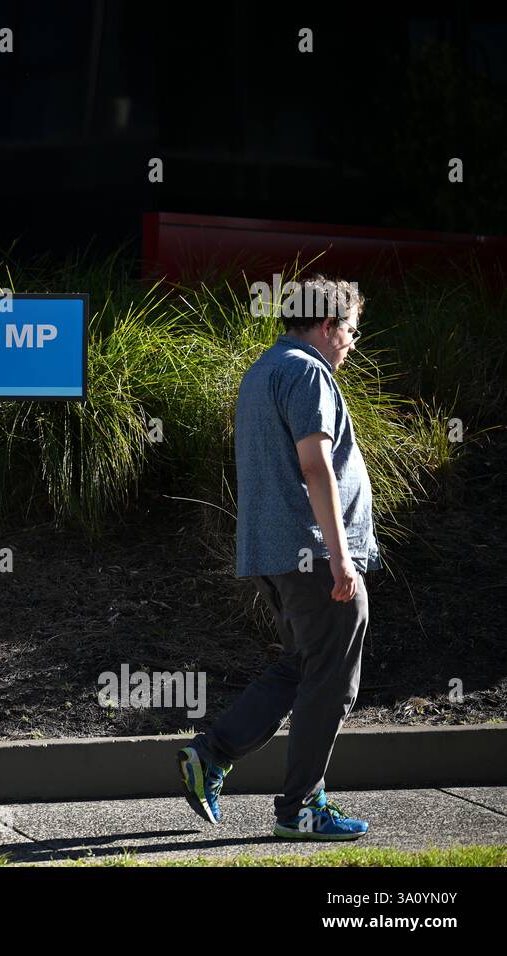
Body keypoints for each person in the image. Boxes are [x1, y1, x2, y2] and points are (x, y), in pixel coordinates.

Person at [178, 275, 379, 840]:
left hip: (273, 552)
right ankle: (301, 809)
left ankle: (212, 754)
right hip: (314, 553)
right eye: (350, 331)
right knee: (332, 679)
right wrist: (341, 558)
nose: (351, 343)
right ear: (325, 325)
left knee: (301, 668)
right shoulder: (308, 371)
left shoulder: (264, 368)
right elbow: (315, 467)